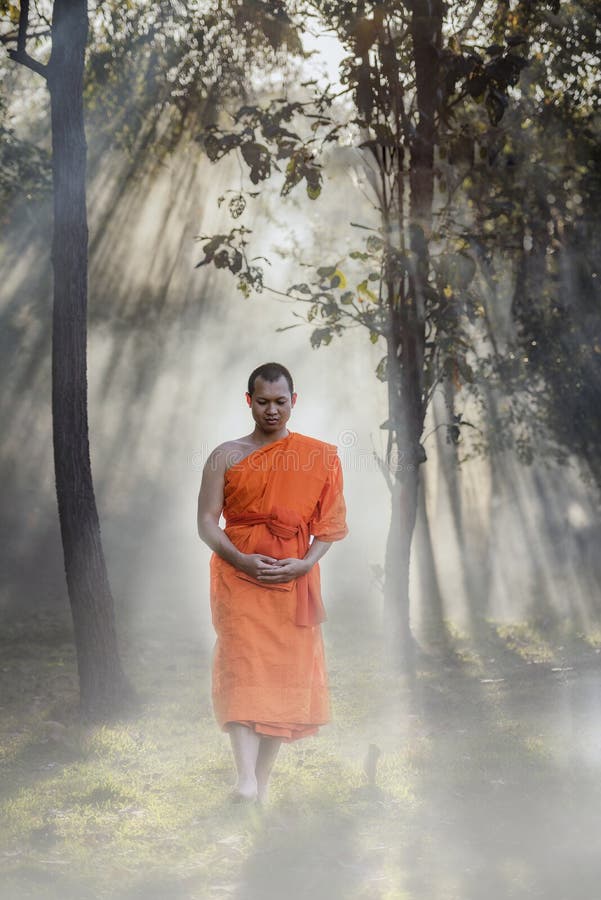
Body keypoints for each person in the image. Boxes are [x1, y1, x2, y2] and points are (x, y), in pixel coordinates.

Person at [197, 362, 348, 804]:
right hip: (237, 575)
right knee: (242, 662)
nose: (271, 410)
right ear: (249, 401)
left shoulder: (320, 456)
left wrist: (305, 564)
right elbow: (207, 522)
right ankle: (243, 778)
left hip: (292, 578)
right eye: (262, 401)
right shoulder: (225, 454)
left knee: (283, 674)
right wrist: (240, 558)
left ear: (293, 402)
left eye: (280, 402)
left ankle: (260, 784)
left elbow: (330, 526)